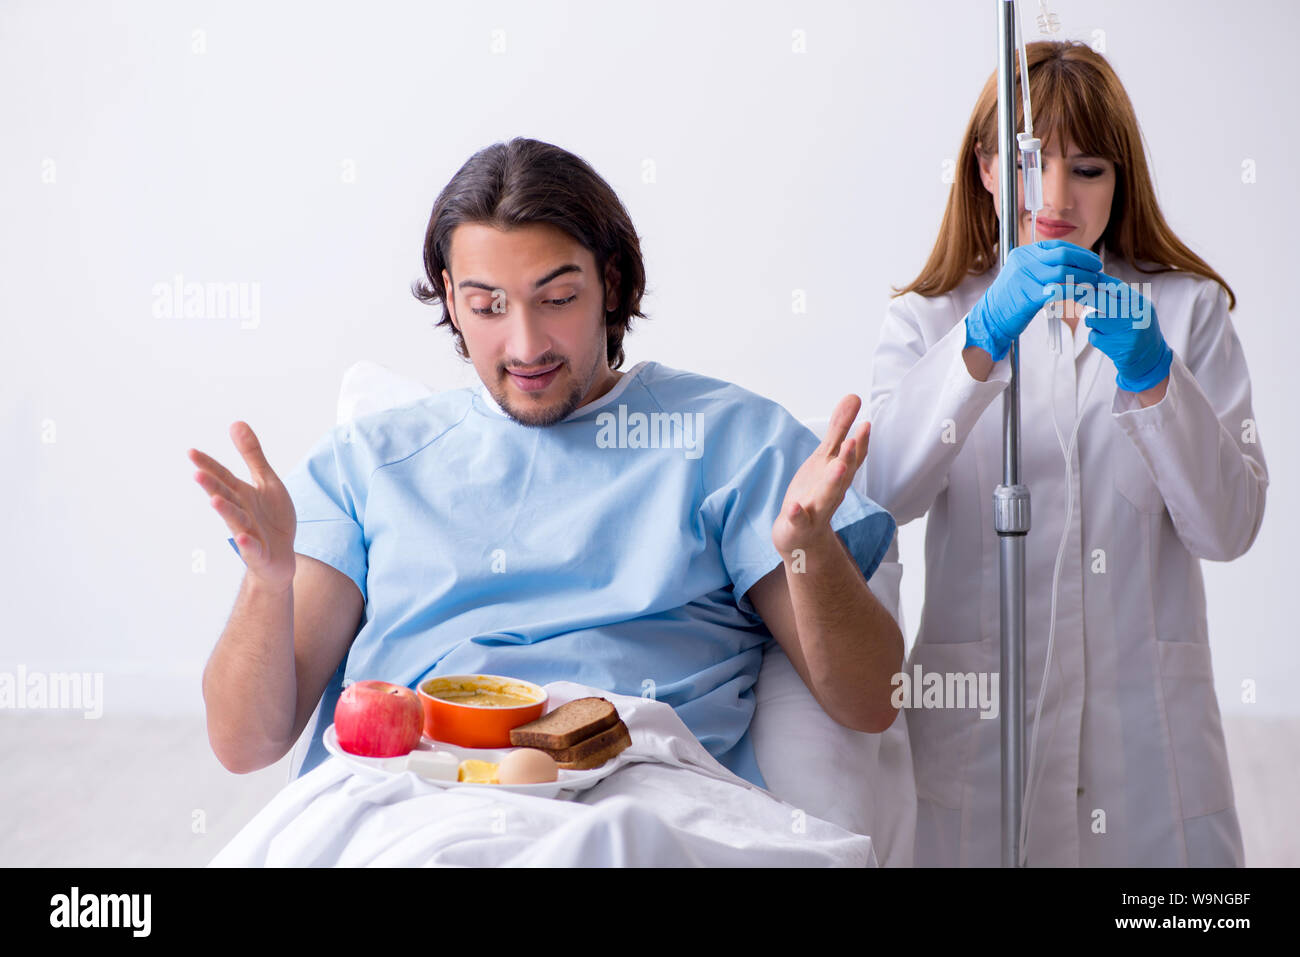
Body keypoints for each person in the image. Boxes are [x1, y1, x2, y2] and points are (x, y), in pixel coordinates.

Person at [190, 136, 901, 800]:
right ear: (449, 299)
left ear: (612, 283)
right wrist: (267, 582)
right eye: (487, 305)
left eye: (557, 298)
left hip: (638, 800)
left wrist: (811, 552)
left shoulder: (729, 440)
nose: (526, 343)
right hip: (411, 805)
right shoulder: (368, 464)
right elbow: (247, 744)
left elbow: (870, 702)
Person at [863, 41, 1267, 866]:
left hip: (1151, 759)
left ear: (1120, 183)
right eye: (1031, 162)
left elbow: (1228, 529)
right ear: (984, 169)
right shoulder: (929, 321)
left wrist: (1156, 378)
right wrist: (976, 347)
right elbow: (880, 494)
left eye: (1087, 169)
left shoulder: (1185, 314)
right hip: (978, 746)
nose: (1055, 196)